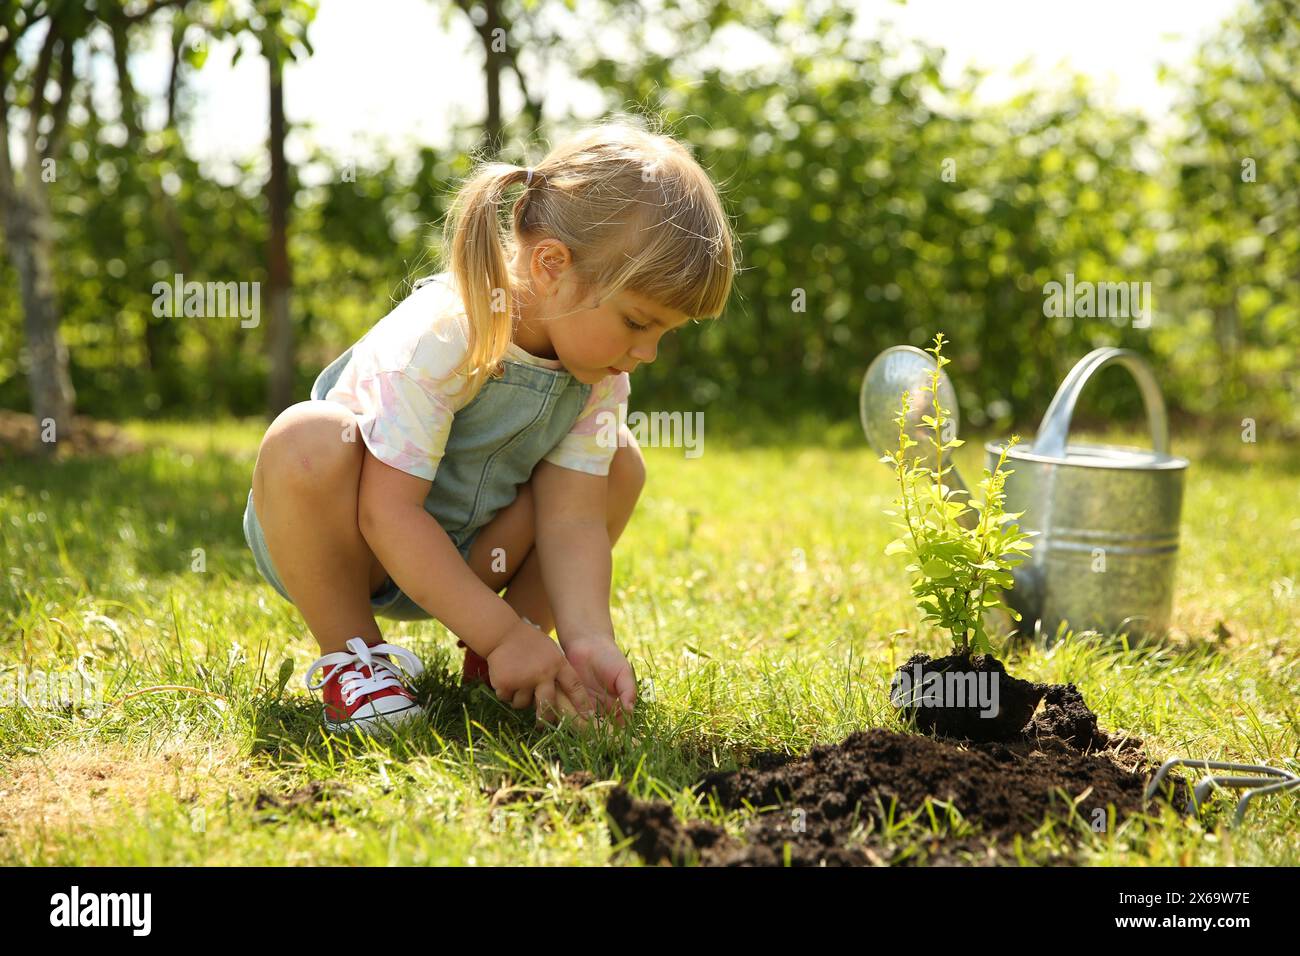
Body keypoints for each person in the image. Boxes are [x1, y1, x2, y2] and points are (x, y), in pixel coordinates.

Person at [241, 119, 738, 735]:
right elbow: (386, 514)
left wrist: (589, 639)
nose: (649, 353)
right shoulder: (449, 331)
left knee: (619, 462)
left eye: (666, 332)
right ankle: (357, 663)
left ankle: (512, 657)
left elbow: (574, 519)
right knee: (305, 438)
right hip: (349, 544)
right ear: (553, 265)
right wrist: (495, 625)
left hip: (468, 553)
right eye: (639, 322)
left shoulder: (598, 373)